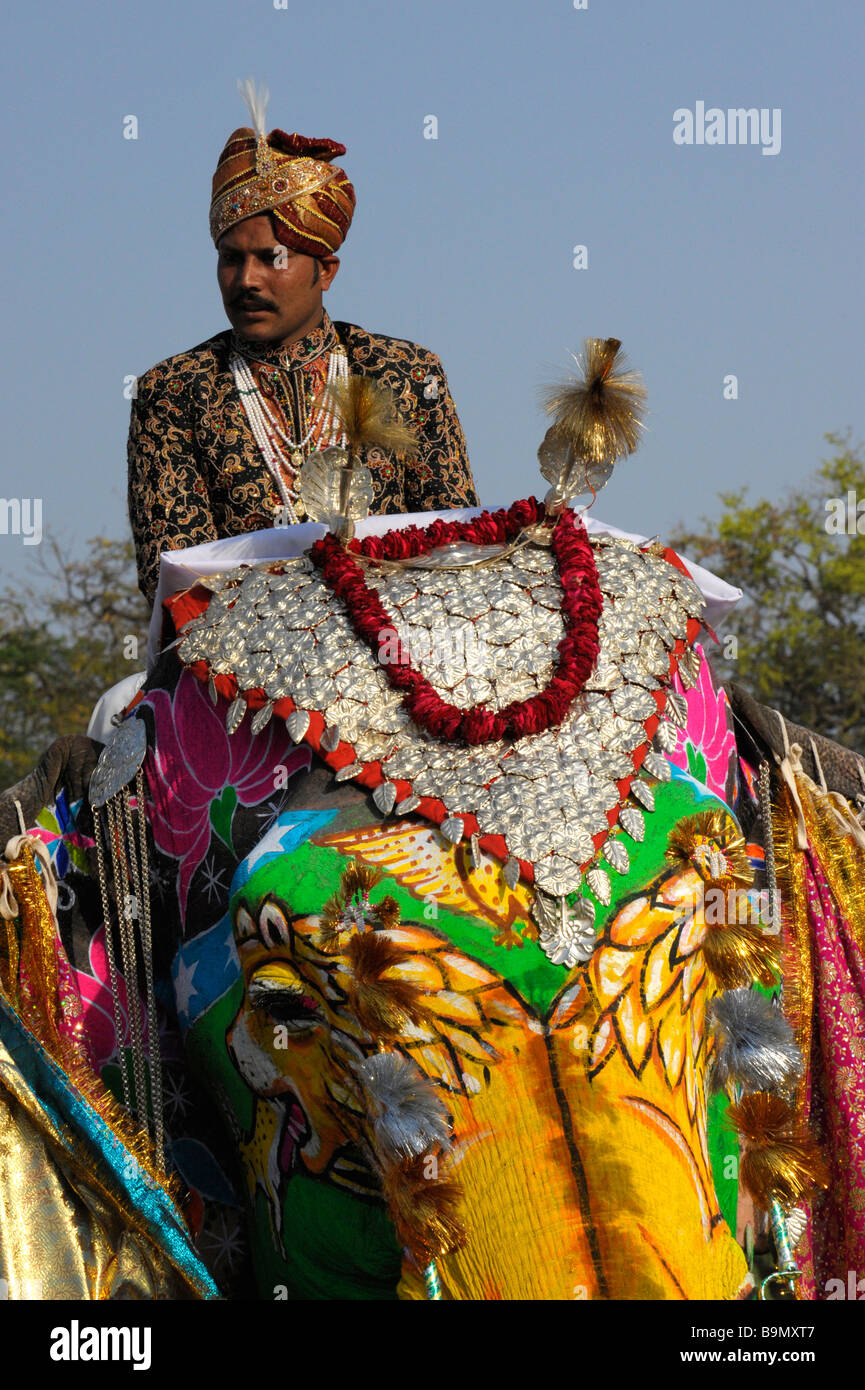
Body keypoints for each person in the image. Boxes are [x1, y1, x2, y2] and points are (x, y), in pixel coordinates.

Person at [127, 87, 478, 605]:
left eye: (272, 258)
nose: (246, 279)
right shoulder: (173, 392)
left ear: (326, 271)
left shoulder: (405, 374)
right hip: (239, 661)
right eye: (230, 259)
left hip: (403, 644)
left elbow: (456, 544)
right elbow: (175, 577)